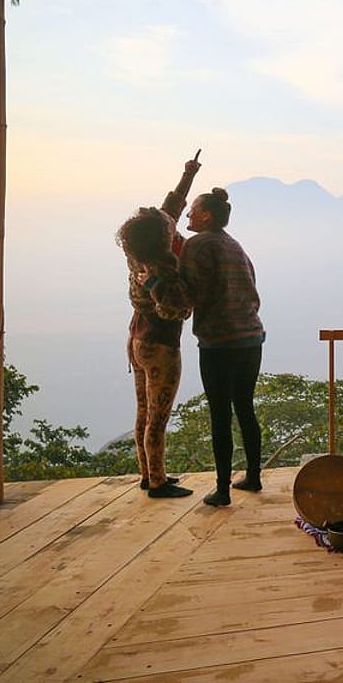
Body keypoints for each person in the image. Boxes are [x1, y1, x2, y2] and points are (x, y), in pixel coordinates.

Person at [116, 153, 200, 498]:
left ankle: (147, 472)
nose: (172, 221)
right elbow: (175, 309)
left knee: (142, 410)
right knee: (159, 416)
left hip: (136, 339)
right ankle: (158, 482)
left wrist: (188, 174)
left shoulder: (137, 251)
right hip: (160, 344)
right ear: (162, 237)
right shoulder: (162, 265)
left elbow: (171, 207)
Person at [180, 186, 266, 506]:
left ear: (206, 216)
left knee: (219, 413)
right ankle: (253, 475)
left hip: (219, 342)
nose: (188, 215)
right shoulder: (234, 246)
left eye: (192, 210)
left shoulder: (197, 245)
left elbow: (189, 293)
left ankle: (222, 489)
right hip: (250, 338)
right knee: (245, 406)